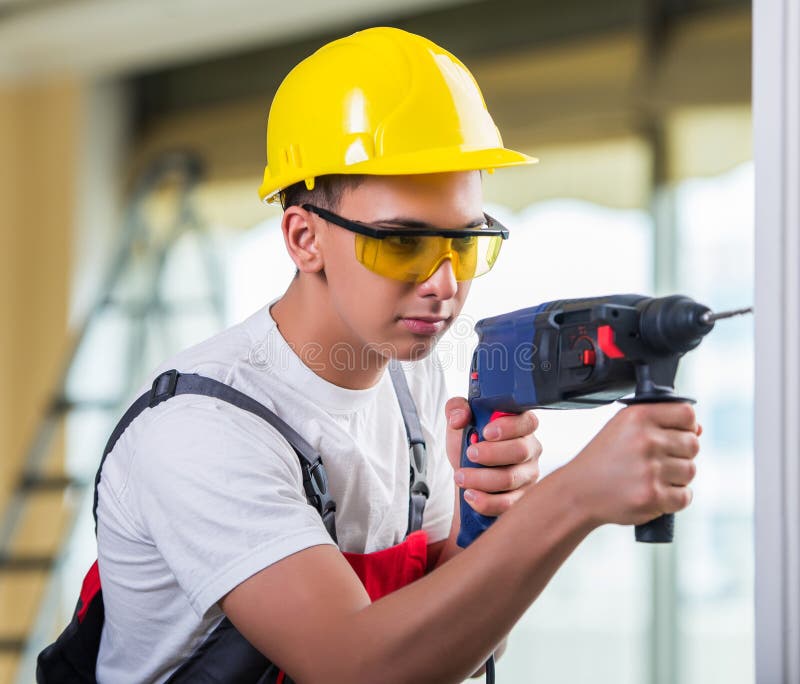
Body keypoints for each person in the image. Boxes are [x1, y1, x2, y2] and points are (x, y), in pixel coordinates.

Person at [93, 27, 700, 683]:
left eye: (464, 244)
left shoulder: (415, 381)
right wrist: (573, 498)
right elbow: (356, 668)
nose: (443, 282)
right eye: (403, 243)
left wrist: (489, 525)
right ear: (304, 238)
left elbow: (442, 633)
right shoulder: (202, 429)